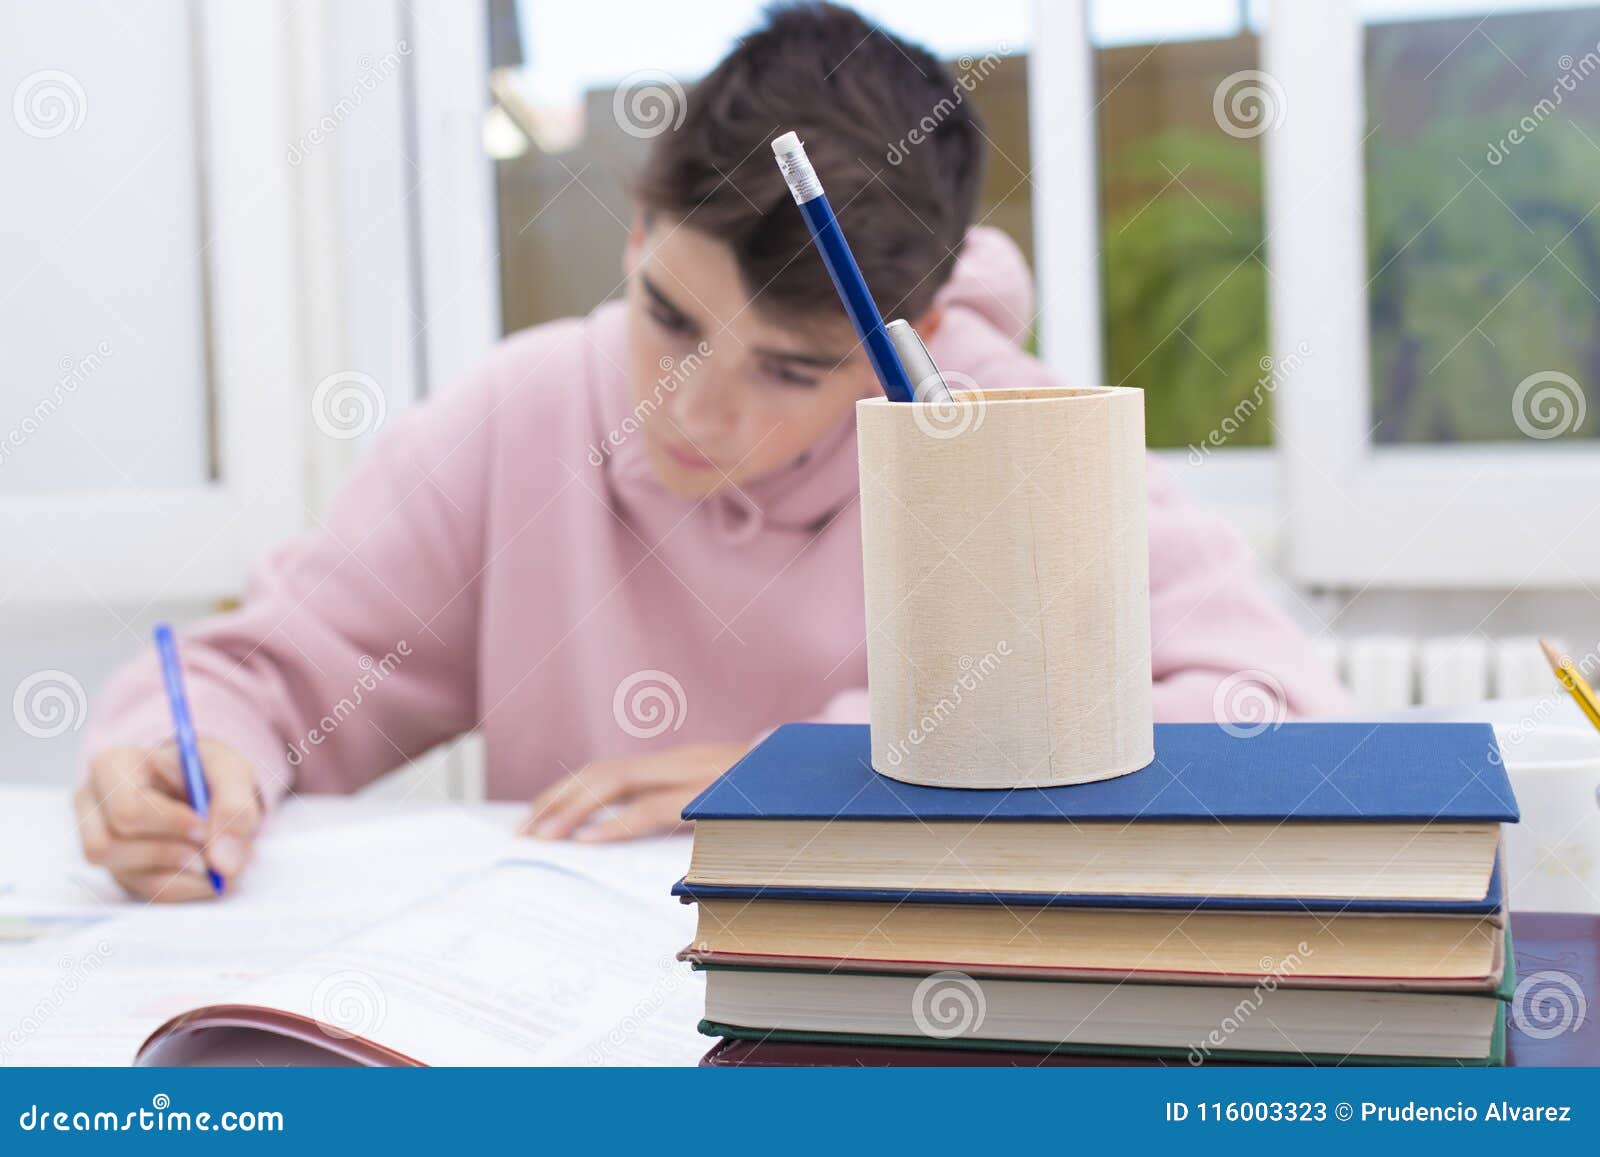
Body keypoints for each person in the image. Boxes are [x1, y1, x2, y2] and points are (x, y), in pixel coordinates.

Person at [76, 2, 1350, 901]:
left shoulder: (1010, 437)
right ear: (635, 233)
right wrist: (192, 764)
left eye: (790, 373)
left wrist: (824, 772)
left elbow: (1272, 714)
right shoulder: (523, 410)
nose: (691, 406)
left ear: (914, 341)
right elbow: (274, 671)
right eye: (669, 319)